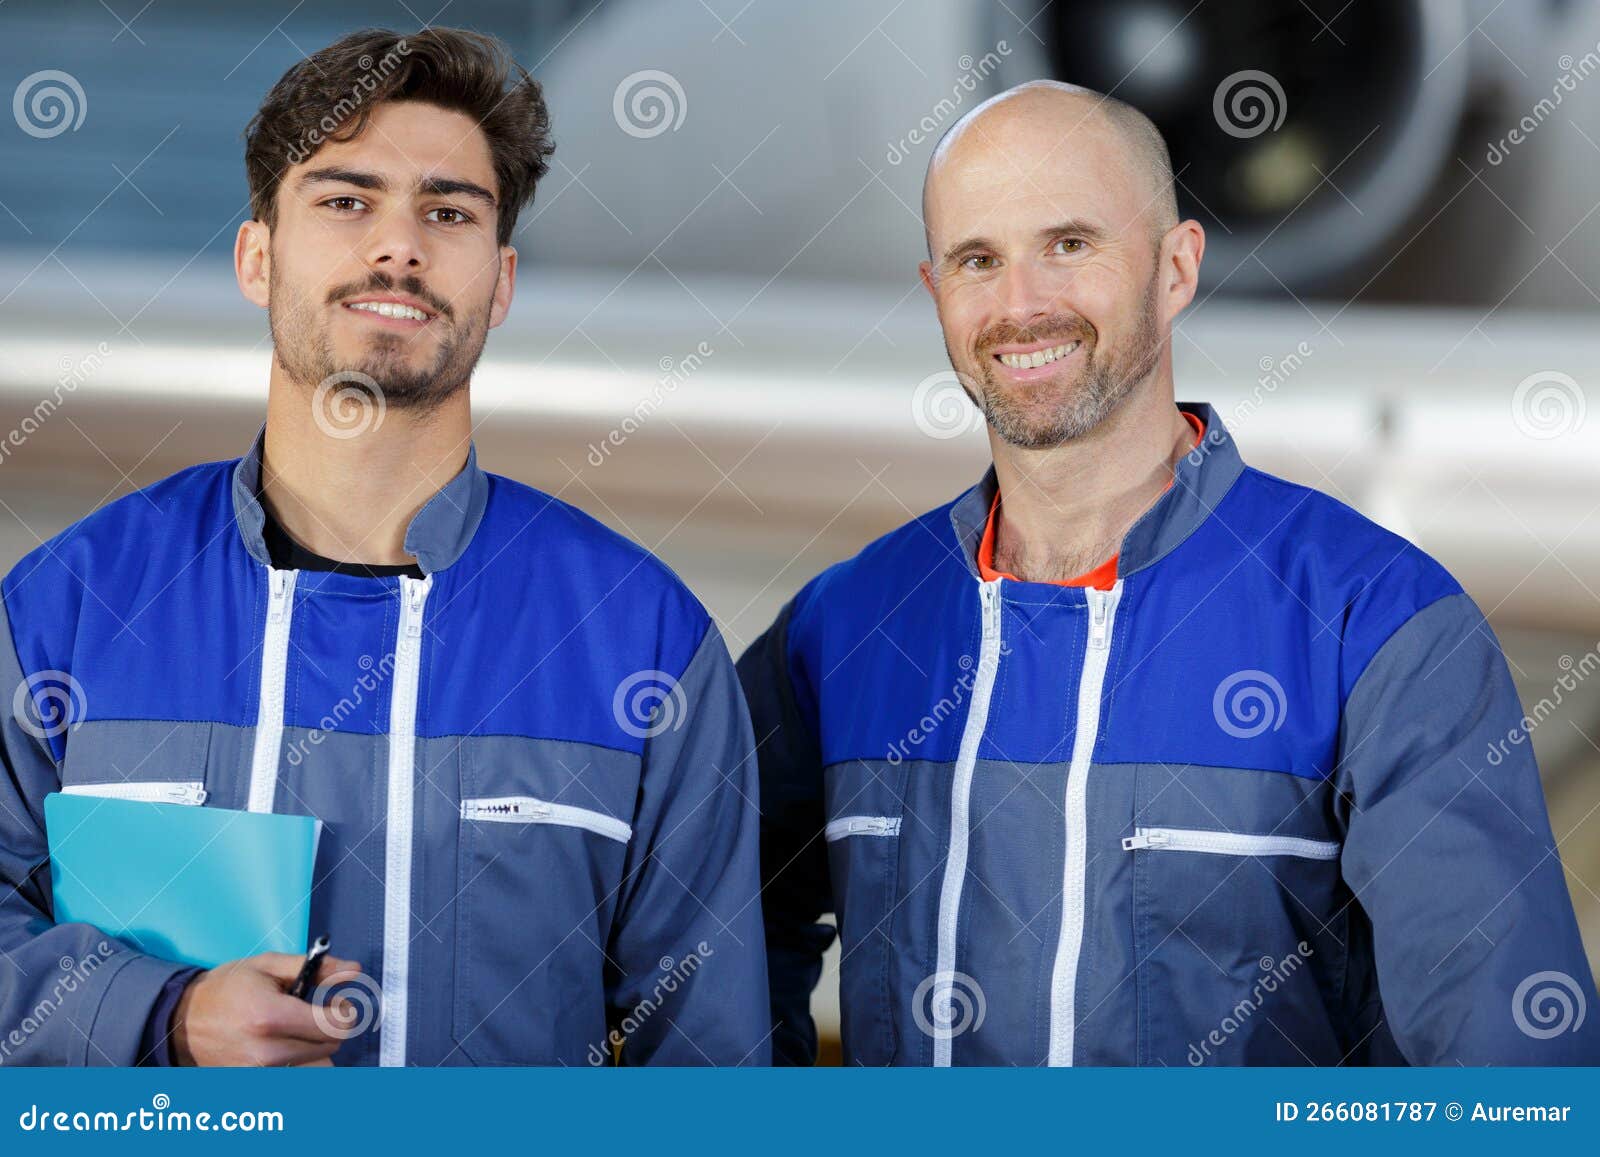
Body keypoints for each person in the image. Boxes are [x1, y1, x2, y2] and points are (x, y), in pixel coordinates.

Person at [738, 80, 1600, 1066]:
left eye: (1069, 244)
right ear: (937, 292)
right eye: (979, 258)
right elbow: (697, 923)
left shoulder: (1377, 626)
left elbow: (1512, 1075)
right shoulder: (841, 630)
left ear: (1177, 266)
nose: (1021, 306)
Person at [0, 27, 767, 1067]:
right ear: (258, 256)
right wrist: (164, 1015)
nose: (398, 244)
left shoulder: (642, 637)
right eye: (346, 200)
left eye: (446, 211)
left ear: (498, 282)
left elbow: (706, 1054)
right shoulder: (66, 608)